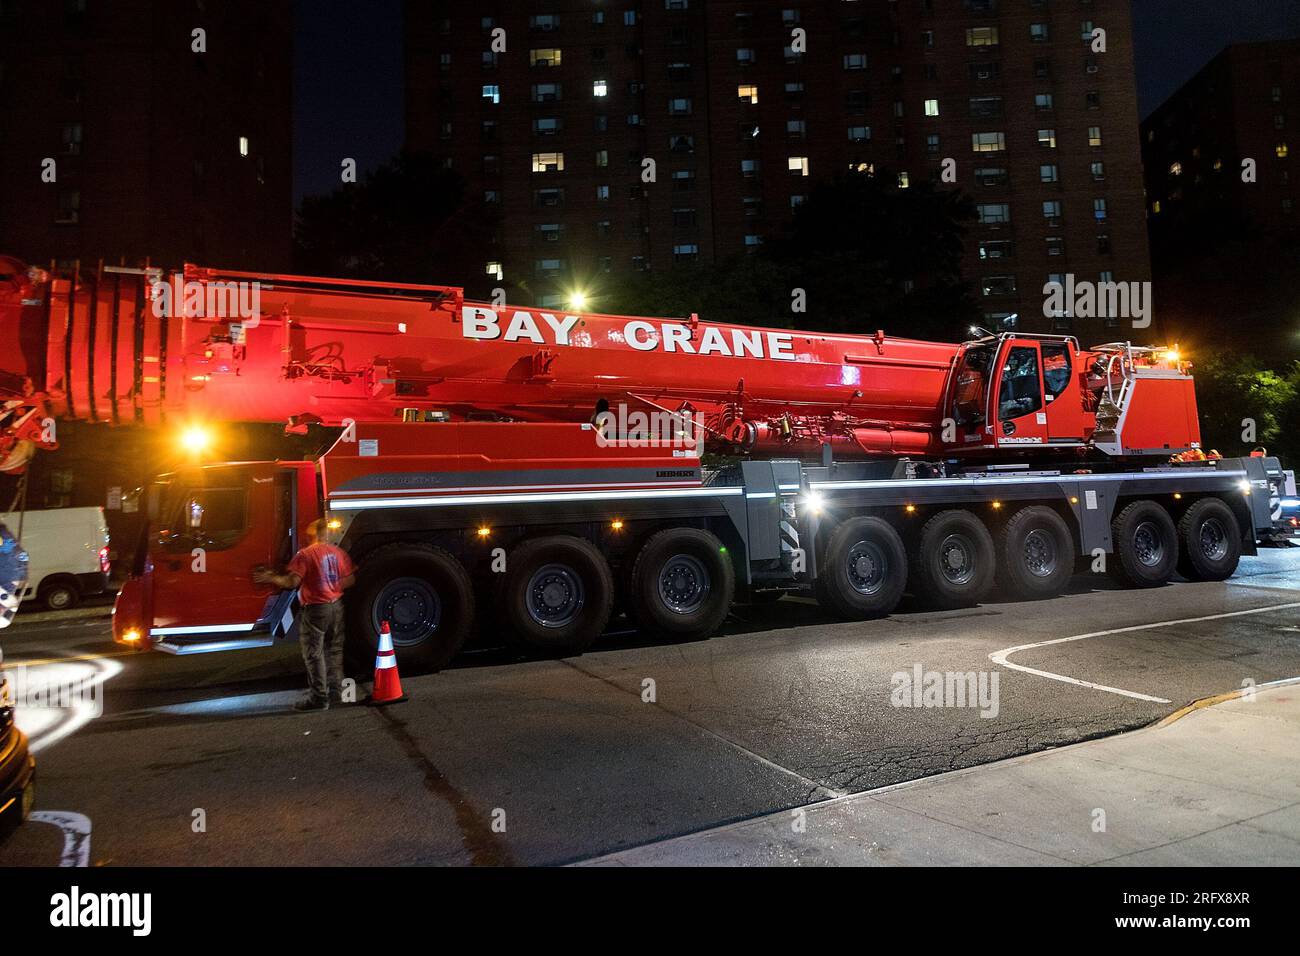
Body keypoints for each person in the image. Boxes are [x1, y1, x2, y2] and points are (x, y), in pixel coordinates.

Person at [254, 518, 355, 711]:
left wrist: (270, 577)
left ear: (313, 534)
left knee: (314, 654)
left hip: (316, 608)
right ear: (326, 533)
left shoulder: (305, 555)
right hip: (336, 607)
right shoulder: (337, 552)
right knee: (334, 651)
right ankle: (337, 694)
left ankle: (319, 699)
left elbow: (292, 582)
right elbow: (350, 579)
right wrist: (332, 588)